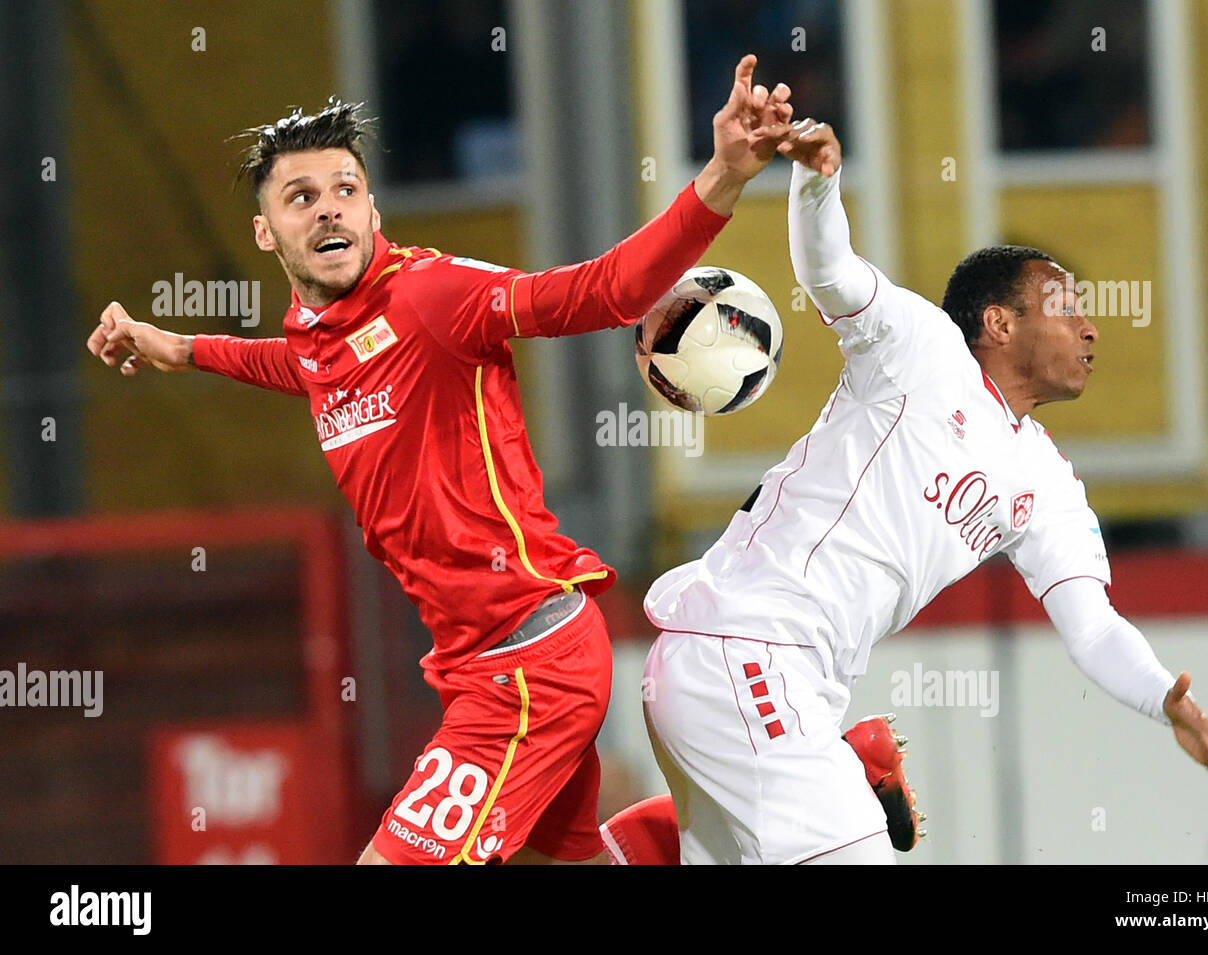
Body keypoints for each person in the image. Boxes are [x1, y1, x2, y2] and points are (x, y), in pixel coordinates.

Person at [84, 57, 794, 865]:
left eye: (345, 189)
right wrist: (177, 347)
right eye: (301, 197)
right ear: (265, 231)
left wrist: (723, 177)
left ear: (373, 207)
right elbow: (299, 369)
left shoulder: (433, 296)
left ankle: (803, 787)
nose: (328, 210)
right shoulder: (318, 340)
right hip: (480, 663)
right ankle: (840, 771)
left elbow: (604, 291)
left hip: (528, 662)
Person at [632, 119, 1208, 865]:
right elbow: (829, 270)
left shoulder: (1049, 483)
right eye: (1066, 307)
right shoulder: (920, 348)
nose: (1091, 329)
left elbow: (1092, 627)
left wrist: (1163, 697)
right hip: (749, 647)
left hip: (778, 680)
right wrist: (818, 176)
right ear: (997, 322)